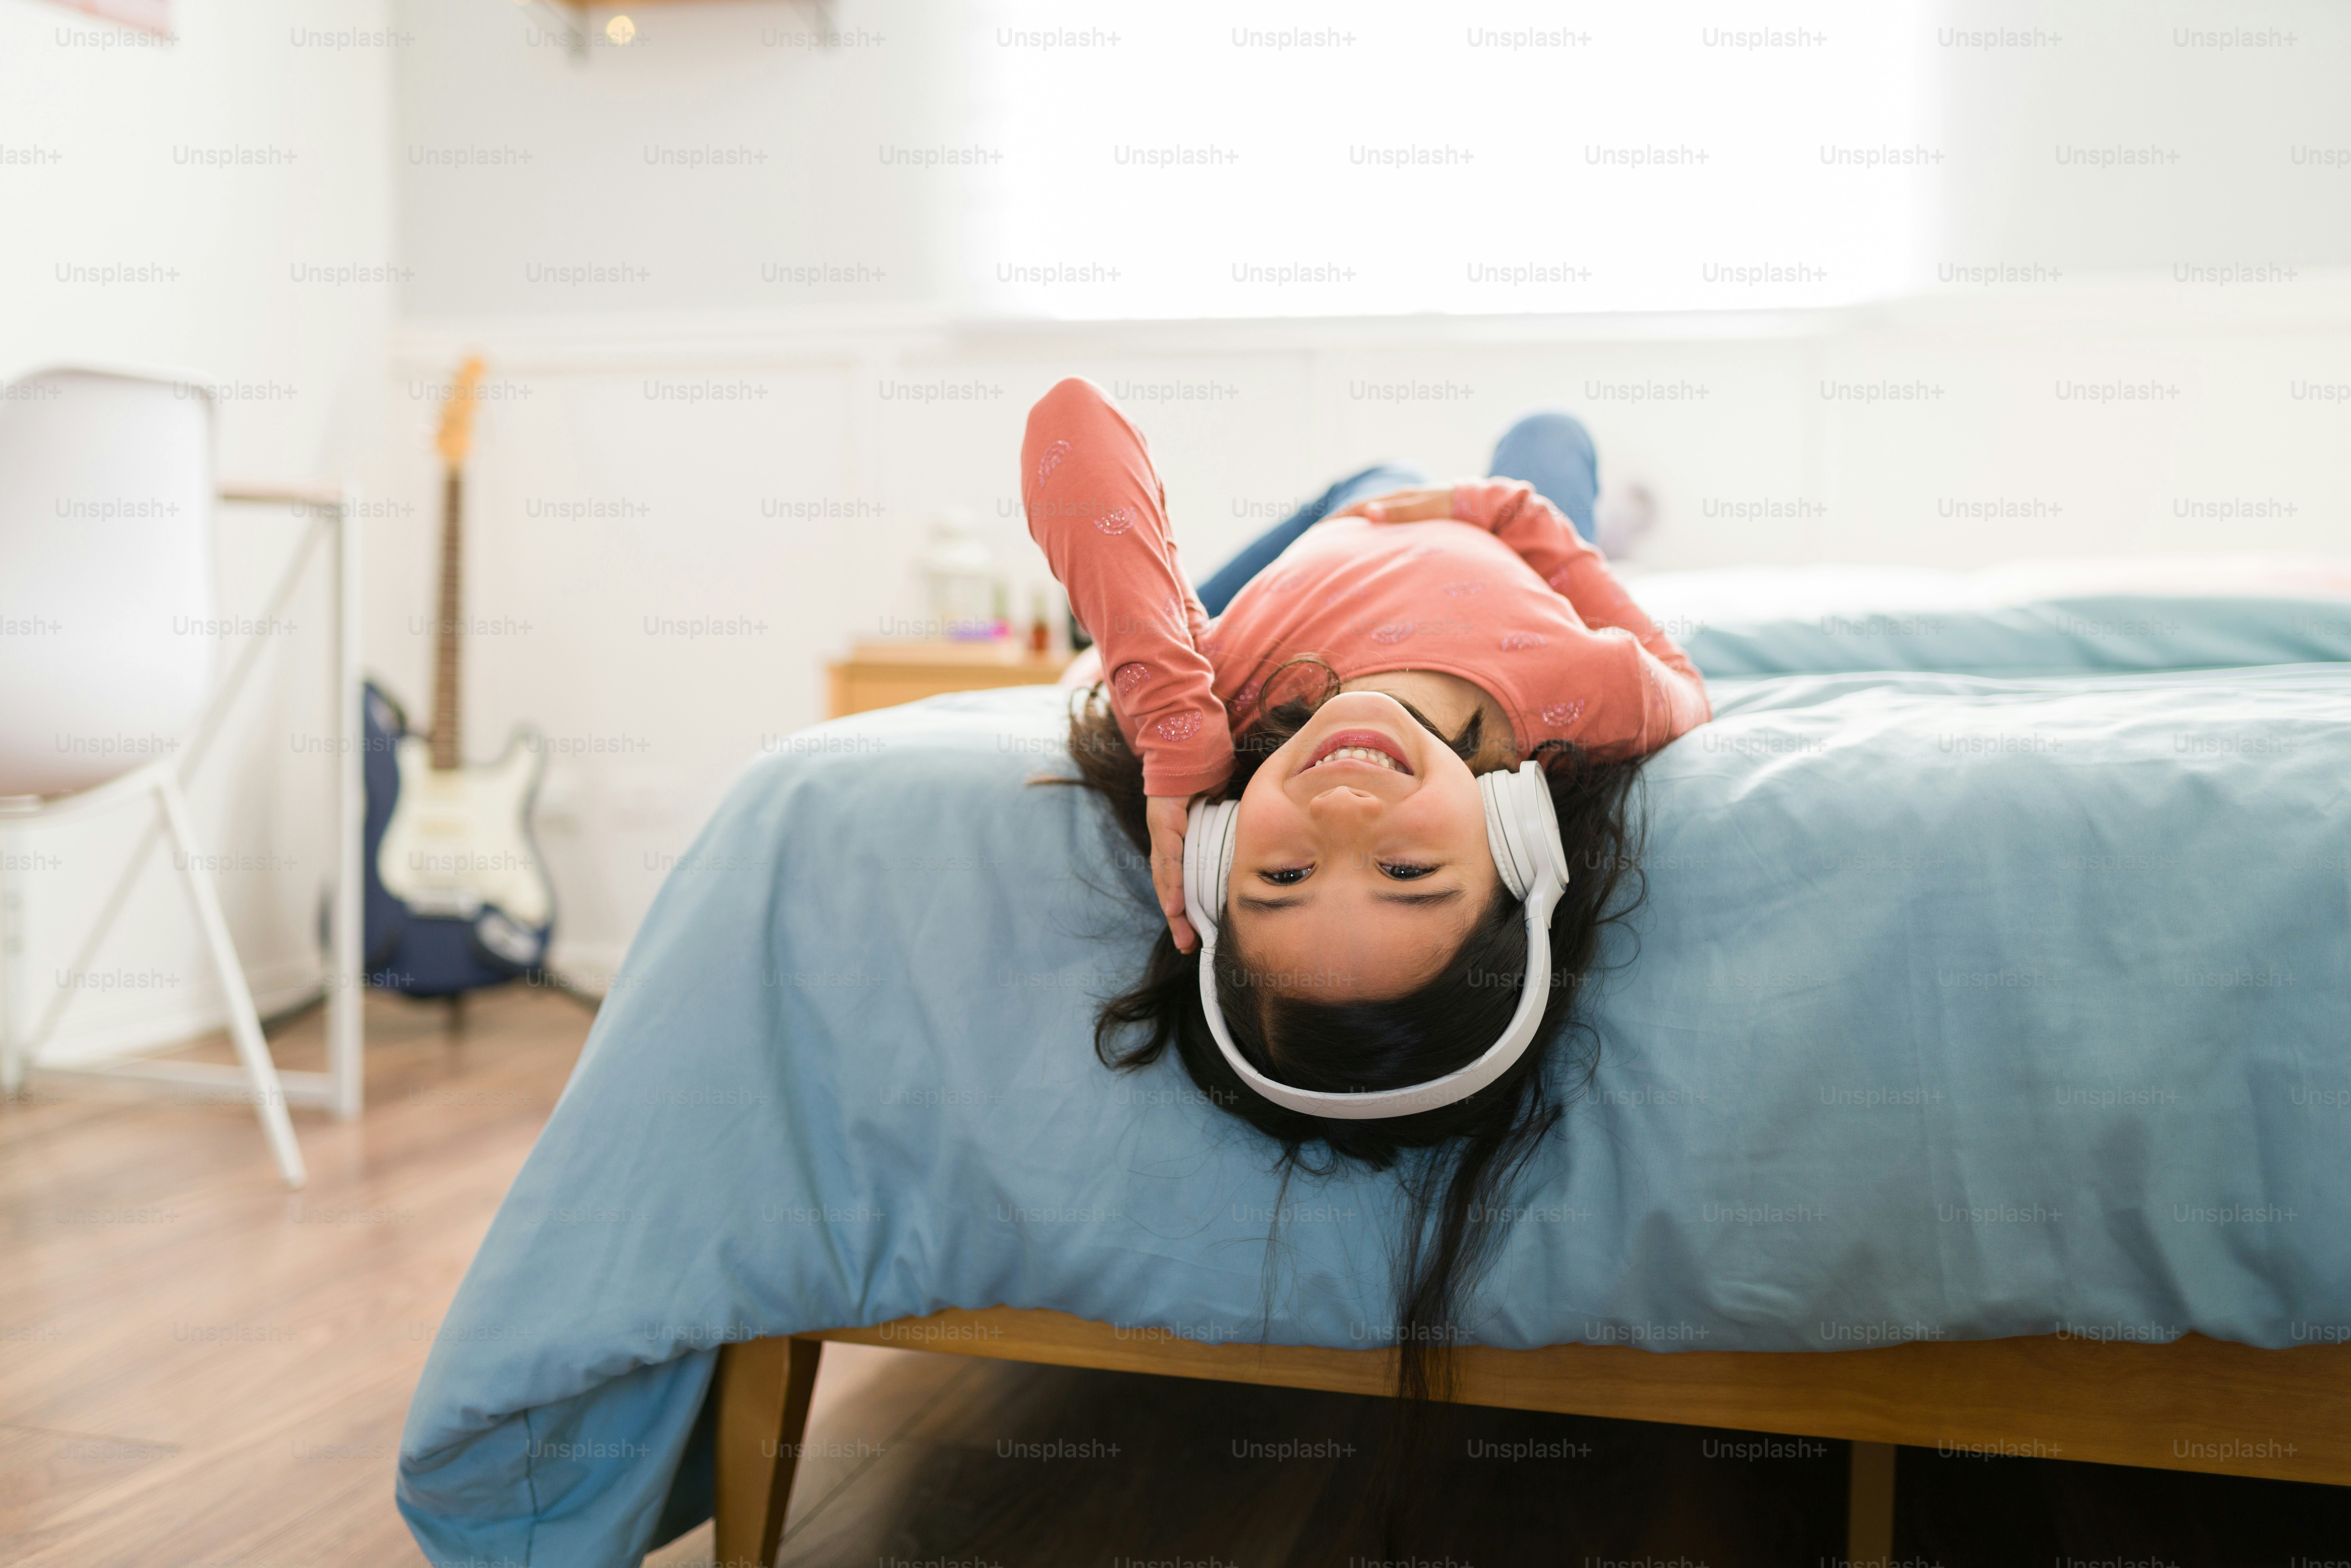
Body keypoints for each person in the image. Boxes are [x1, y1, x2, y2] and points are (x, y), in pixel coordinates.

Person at [1023, 377, 1710, 1533]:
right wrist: (1514, 522)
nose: (1343, 818)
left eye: (1280, 879)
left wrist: (1171, 717)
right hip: (1488, 534)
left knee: (1136, 615)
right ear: (1513, 844)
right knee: (1548, 441)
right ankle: (1589, 514)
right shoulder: (1593, 700)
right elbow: (1684, 683)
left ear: (1219, 857)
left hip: (1340, 528)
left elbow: (1069, 418)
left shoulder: (1224, 693)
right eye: (1408, 875)